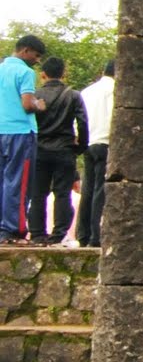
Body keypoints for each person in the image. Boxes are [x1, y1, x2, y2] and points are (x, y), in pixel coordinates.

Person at [27, 57, 89, 245]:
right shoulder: (73, 95)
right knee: (62, 193)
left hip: (39, 149)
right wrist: (81, 146)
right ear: (64, 73)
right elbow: (83, 122)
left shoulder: (35, 95)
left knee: (38, 193)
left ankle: (37, 234)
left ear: (43, 74)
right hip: (64, 149)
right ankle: (59, 234)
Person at [0, 35, 49, 242]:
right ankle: (14, 230)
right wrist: (40, 105)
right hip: (20, 132)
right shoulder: (25, 72)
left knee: (3, 180)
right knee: (18, 182)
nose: (37, 61)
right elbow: (27, 104)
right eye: (36, 56)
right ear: (25, 51)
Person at [76, 59, 114, 248]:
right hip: (106, 142)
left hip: (88, 141)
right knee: (101, 189)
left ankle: (83, 234)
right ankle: (96, 235)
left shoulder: (87, 91)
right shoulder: (115, 90)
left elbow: (79, 119)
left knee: (87, 189)